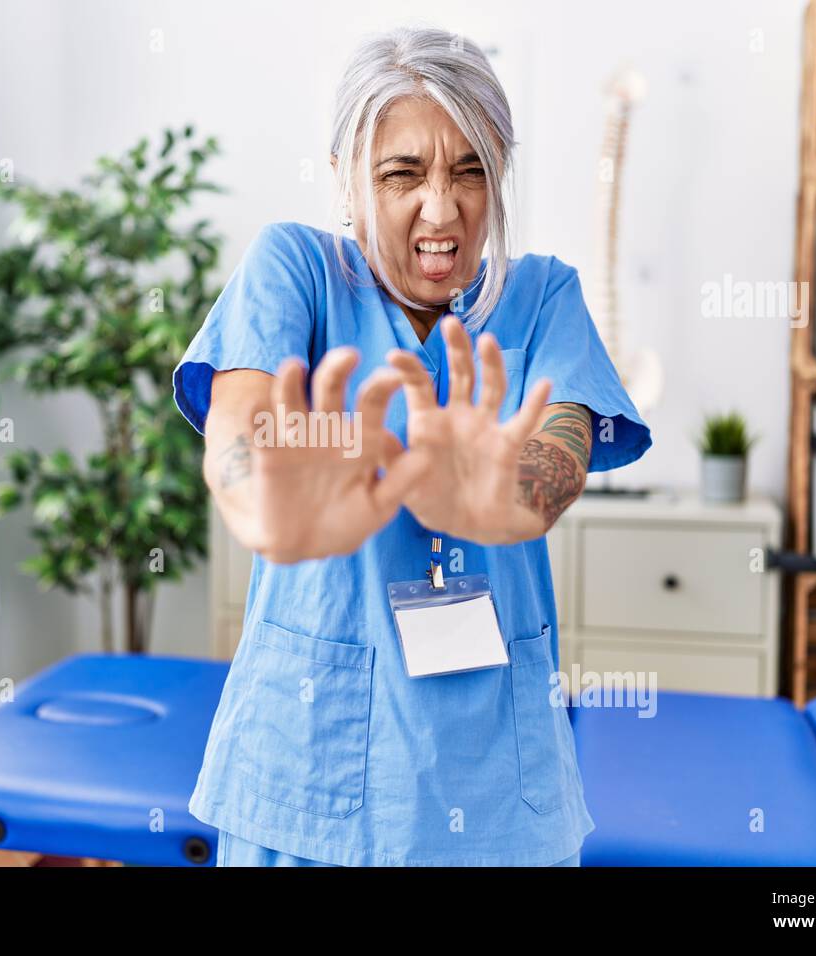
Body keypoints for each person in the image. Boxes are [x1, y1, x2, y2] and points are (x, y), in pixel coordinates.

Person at [172, 26, 652, 867]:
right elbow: (241, 432)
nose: (443, 208)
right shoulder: (296, 271)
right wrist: (267, 506)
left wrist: (498, 497)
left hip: (498, 790)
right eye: (403, 173)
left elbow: (559, 457)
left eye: (471, 169)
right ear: (346, 178)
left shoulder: (542, 298)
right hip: (304, 783)